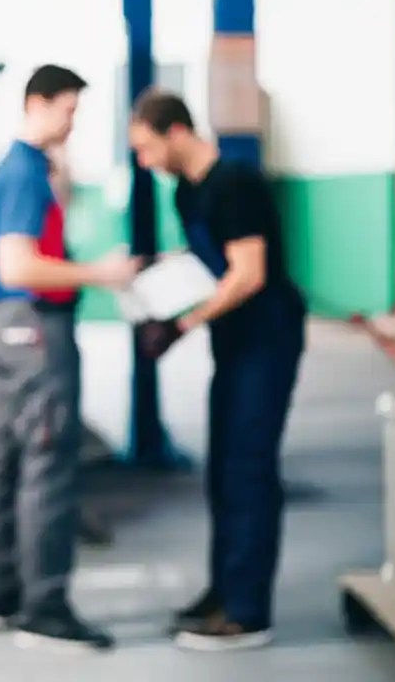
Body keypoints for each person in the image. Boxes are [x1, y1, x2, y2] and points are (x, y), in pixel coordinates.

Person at [127, 88, 306, 652]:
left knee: (249, 468)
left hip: (268, 337)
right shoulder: (187, 193)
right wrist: (158, 296)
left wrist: (181, 327)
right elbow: (207, 268)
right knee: (223, 469)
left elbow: (247, 274)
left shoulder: (236, 183)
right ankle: (224, 590)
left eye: (147, 148)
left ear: (177, 132)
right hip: (233, 342)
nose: (144, 162)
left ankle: (249, 612)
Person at [0, 64, 139, 653]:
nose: (73, 123)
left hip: (6, 329)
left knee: (4, 455)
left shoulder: (26, 169)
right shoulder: (22, 171)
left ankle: (1, 596)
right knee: (47, 463)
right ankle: (45, 607)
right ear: (37, 103)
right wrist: (104, 273)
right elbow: (17, 266)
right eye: (68, 110)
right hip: (35, 329)